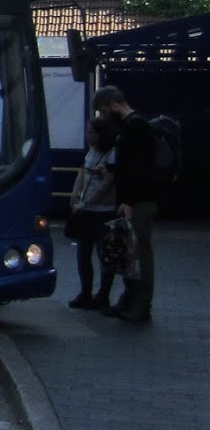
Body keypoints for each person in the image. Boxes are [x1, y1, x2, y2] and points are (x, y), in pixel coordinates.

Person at [92, 86, 158, 323]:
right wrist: (109, 168)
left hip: (137, 202)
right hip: (135, 200)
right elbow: (132, 165)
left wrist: (128, 201)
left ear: (111, 104)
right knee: (130, 254)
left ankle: (140, 305)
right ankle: (130, 300)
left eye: (103, 110)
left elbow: (137, 168)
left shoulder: (135, 126)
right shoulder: (133, 126)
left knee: (138, 254)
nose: (104, 116)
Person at [65, 116, 119, 310]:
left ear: (100, 134)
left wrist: (87, 201)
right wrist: (74, 195)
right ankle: (85, 293)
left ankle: (103, 295)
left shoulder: (112, 154)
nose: (87, 135)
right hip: (85, 210)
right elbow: (82, 172)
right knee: (83, 253)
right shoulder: (92, 152)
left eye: (91, 132)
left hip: (104, 211)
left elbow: (107, 183)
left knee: (104, 254)